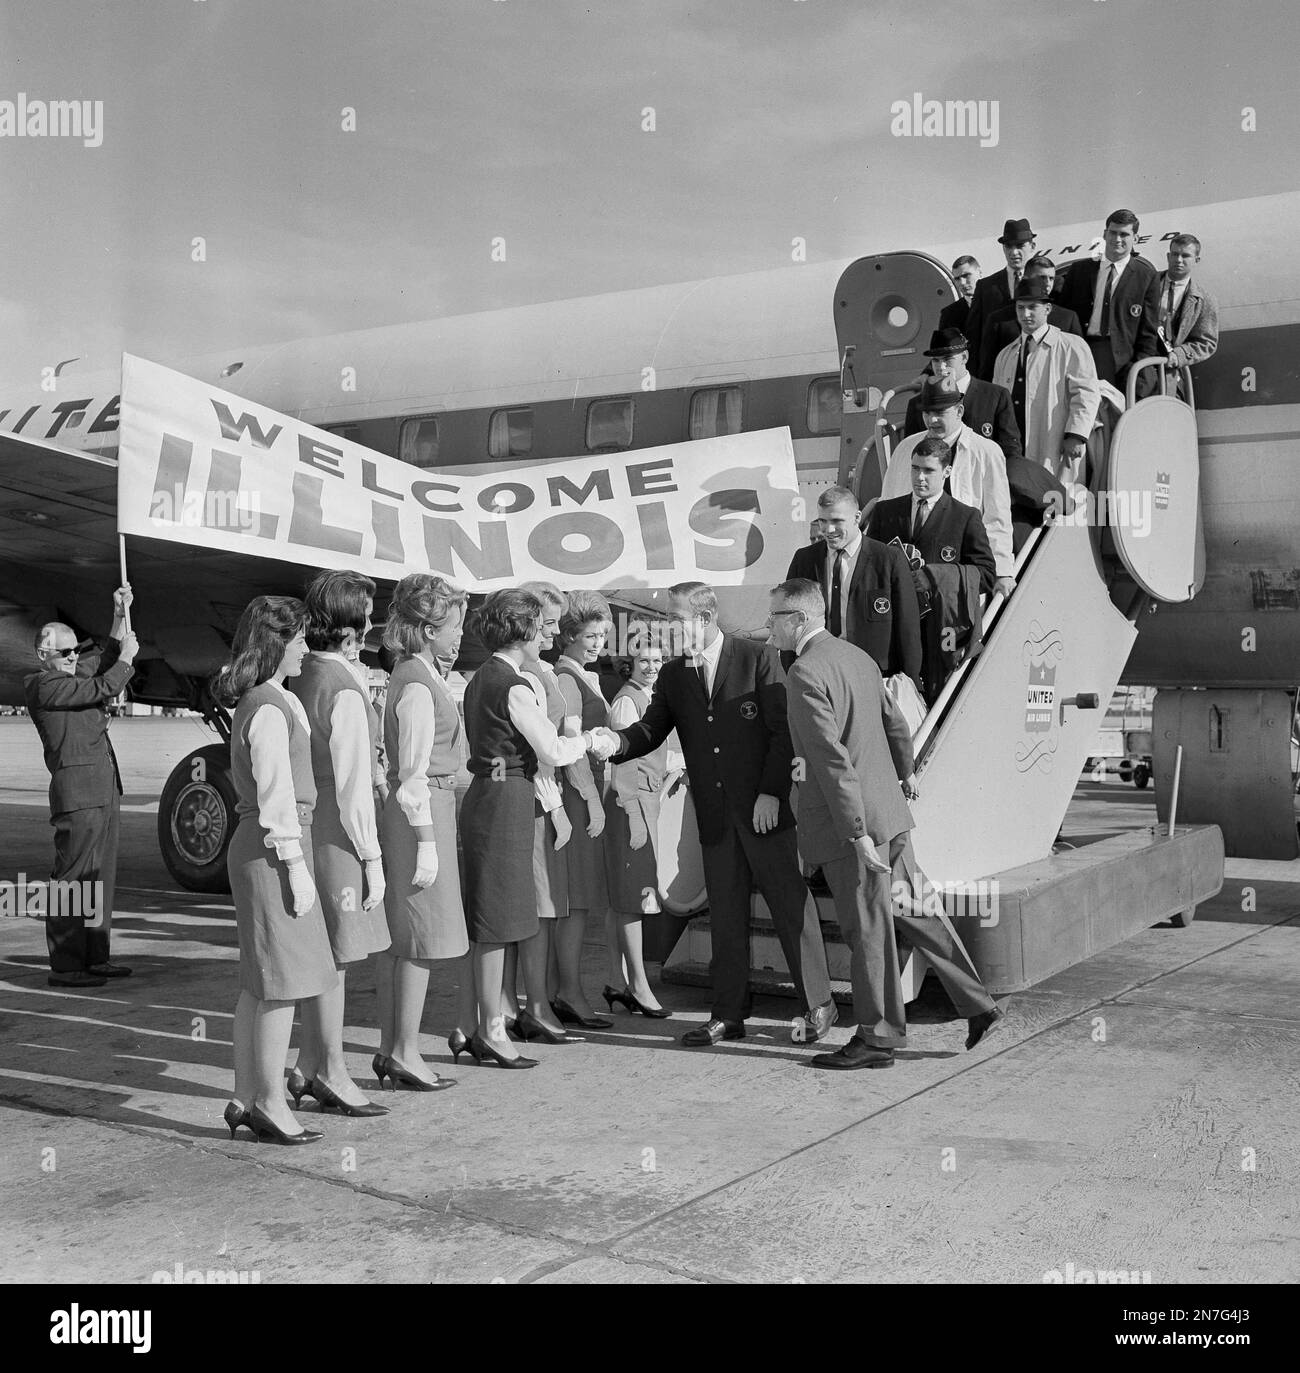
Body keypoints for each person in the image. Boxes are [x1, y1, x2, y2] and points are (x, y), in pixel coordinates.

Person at [769, 579, 1005, 1070]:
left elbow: (830, 761)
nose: (769, 627)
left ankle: (876, 1040)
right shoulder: (858, 658)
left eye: (775, 618)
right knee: (915, 911)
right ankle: (978, 1003)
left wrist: (855, 833)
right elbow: (895, 723)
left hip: (852, 828)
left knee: (869, 932)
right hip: (890, 813)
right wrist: (905, 772)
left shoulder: (805, 673)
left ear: (799, 620)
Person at [599, 582, 836, 1047]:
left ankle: (818, 1004)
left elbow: (783, 732)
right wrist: (614, 743)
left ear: (704, 619)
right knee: (726, 916)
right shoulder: (674, 674)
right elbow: (650, 729)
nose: (668, 627)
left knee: (790, 906)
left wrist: (771, 793)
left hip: (764, 812)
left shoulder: (757, 658)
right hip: (714, 815)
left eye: (675, 618)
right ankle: (728, 1014)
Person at [459, 589, 605, 1068]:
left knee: (492, 922)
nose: (545, 633)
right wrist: (591, 739)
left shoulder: (483, 677)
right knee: (498, 922)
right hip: (508, 800)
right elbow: (552, 751)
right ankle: (491, 1030)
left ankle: (485, 1024)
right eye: (538, 626)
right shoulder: (516, 685)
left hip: (491, 794)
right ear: (521, 631)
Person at [216, 596, 336, 1144]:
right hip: (272, 849)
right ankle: (268, 1102)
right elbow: (275, 797)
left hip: (266, 848)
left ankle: (246, 1095)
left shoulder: (270, 700)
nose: (306, 648)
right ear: (275, 643)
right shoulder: (267, 705)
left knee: (259, 983)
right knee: (280, 983)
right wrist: (296, 865)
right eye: (298, 640)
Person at [284, 570, 392, 1114]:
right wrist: (373, 859)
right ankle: (330, 1070)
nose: (373, 621)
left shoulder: (302, 675)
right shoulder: (344, 689)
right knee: (338, 956)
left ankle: (308, 1063)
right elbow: (353, 790)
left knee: (321, 950)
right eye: (368, 612)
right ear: (353, 626)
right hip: (339, 835)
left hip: (310, 828)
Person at [375, 573, 472, 1086]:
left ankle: (393, 1047)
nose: (460, 636)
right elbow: (411, 776)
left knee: (406, 937)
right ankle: (405, 1052)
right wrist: (429, 844)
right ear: (429, 629)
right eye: (453, 626)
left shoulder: (420, 673)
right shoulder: (415, 683)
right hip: (420, 814)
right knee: (417, 938)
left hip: (426, 810)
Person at [25, 587, 138, 988]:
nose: (74, 658)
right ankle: (66, 965)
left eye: (75, 651)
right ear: (45, 656)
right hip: (77, 794)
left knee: (100, 878)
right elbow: (102, 685)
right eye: (66, 653)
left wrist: (117, 615)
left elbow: (102, 661)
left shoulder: (70, 676)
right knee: (71, 880)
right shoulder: (44, 686)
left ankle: (95, 956)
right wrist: (126, 662)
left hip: (104, 788)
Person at [867, 438, 996, 703]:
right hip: (894, 629)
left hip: (940, 631)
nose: (920, 478)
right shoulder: (884, 512)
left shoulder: (965, 517)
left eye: (929, 471)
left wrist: (934, 577)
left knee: (940, 701)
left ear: (947, 472)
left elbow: (986, 575)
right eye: (915, 469)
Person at [514, 581, 588, 1043]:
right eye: (547, 623)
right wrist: (557, 806)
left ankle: (528, 1004)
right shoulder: (525, 676)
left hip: (547, 795)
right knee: (539, 910)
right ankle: (534, 1006)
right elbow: (543, 752)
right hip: (538, 799)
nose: (555, 631)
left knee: (546, 907)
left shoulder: (539, 669)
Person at [602, 638, 681, 1017]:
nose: (651, 666)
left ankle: (618, 981)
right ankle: (635, 985)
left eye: (657, 659)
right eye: (644, 660)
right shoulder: (627, 702)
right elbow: (623, 764)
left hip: (645, 802)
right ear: (628, 665)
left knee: (627, 897)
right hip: (629, 804)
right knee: (630, 899)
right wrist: (634, 815)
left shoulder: (649, 697)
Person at [882, 380, 1016, 598]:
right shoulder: (905, 448)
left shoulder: (986, 452)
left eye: (940, 412)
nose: (932, 420)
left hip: (959, 569)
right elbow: (887, 503)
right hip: (911, 573)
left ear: (959, 411)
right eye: (927, 412)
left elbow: (997, 517)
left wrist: (1002, 572)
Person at [550, 591, 616, 1030]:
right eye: (590, 635)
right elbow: (572, 751)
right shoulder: (569, 680)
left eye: (603, 635)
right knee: (574, 902)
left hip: (588, 793)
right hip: (579, 797)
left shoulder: (581, 676)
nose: (597, 643)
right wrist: (591, 801)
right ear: (569, 634)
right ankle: (568, 992)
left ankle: (565, 989)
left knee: (578, 902)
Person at [785, 486, 922, 691]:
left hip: (875, 678)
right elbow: (789, 616)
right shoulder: (804, 559)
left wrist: (910, 682)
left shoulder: (889, 559)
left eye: (837, 521)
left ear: (857, 517)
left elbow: (907, 627)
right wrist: (790, 671)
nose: (828, 530)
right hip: (820, 675)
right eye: (823, 521)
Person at [990, 278, 1101, 485]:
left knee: (1060, 502)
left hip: (1056, 443)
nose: (1025, 314)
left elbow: (1086, 394)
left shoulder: (1071, 346)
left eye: (1032, 307)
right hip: (1015, 451)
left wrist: (1076, 435)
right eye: (1020, 308)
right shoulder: (1005, 355)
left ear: (1048, 309)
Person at [1057, 208, 1162, 395]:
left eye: (1124, 234)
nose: (1117, 239)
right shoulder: (1079, 271)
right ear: (1105, 234)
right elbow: (1064, 316)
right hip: (1084, 353)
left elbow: (1148, 332)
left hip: (1123, 361)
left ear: (1135, 238)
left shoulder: (1146, 276)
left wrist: (1139, 371)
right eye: (1113, 233)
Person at [902, 327, 1023, 461]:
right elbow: (912, 454)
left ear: (964, 357)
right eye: (936, 360)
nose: (941, 367)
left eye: (947, 359)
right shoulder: (917, 404)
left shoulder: (996, 396)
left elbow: (1010, 451)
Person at [974, 255, 1083, 380]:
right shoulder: (998, 320)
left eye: (1051, 278)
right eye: (1042, 277)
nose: (1047, 283)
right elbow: (987, 368)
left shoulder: (1068, 318)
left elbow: (1079, 368)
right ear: (1025, 278)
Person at [965, 218, 1037, 380]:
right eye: (1008, 246)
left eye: (1019, 246)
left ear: (1032, 247)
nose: (1013, 252)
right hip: (998, 372)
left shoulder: (1046, 281)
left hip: (1039, 369)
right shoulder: (986, 287)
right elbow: (974, 337)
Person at [1157, 233, 1219, 385]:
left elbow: (1206, 342)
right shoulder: (1146, 283)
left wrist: (1179, 355)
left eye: (1185, 256)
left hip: (1170, 372)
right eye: (1175, 254)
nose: (1178, 260)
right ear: (1168, 256)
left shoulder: (1205, 300)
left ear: (1196, 260)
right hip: (1137, 367)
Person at [938, 255, 980, 333]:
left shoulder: (998, 303)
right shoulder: (949, 314)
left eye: (966, 276)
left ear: (979, 272)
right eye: (957, 279)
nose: (962, 283)